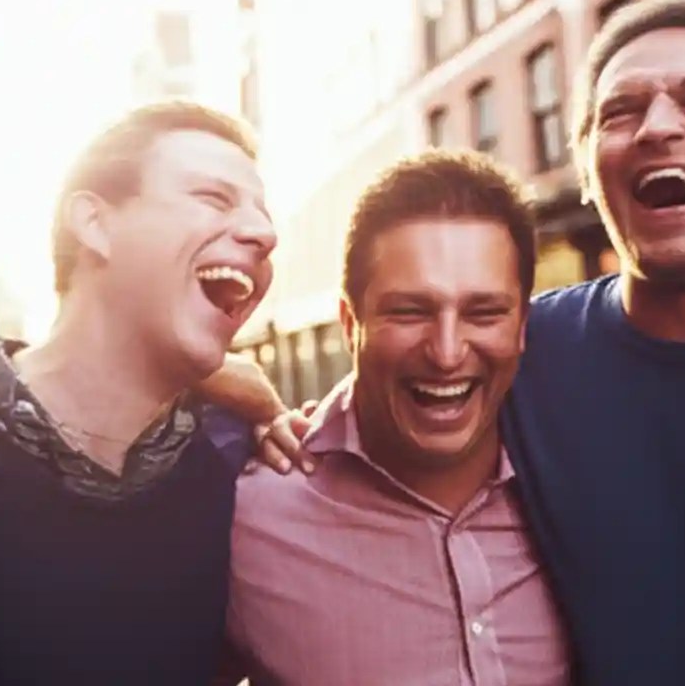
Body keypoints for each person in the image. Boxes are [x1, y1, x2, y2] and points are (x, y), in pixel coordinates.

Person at [241, 0, 685, 685]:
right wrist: (234, 389)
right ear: (590, 176)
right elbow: (384, 387)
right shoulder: (525, 349)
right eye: (621, 111)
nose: (658, 126)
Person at [0, 101, 278, 686]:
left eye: (263, 213)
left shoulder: (242, 457)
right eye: (213, 197)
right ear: (94, 223)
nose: (265, 234)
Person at [222, 151, 570, 686]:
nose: (448, 352)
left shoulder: (576, 480)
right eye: (410, 311)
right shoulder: (247, 519)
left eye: (483, 313)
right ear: (349, 323)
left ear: (522, 326)